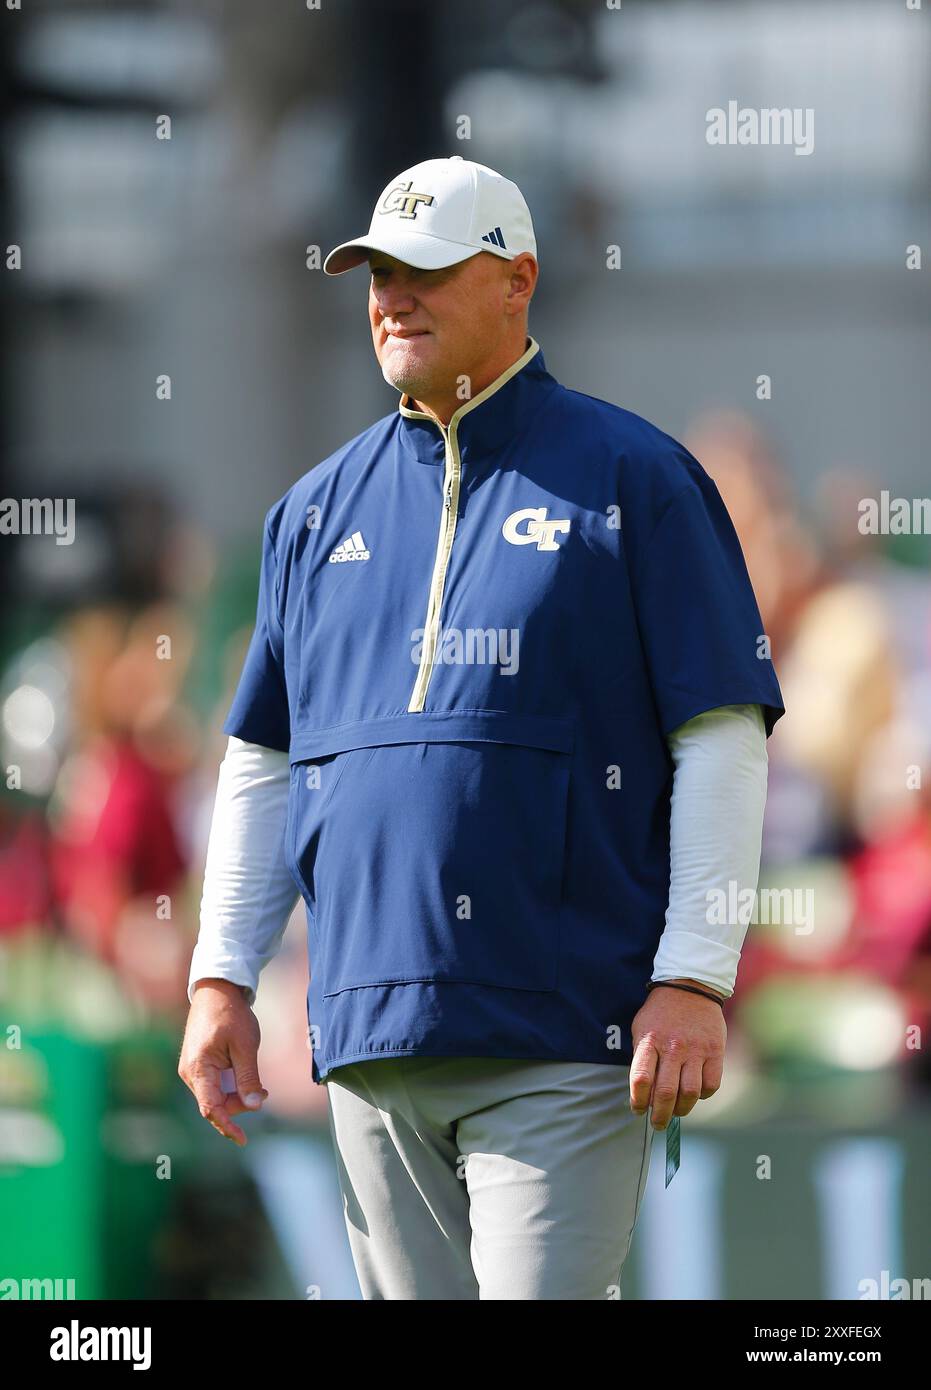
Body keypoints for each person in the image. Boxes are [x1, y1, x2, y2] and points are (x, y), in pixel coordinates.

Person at [179, 156, 785, 1300]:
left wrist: (696, 976)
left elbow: (721, 731)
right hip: (368, 1031)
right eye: (374, 274)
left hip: (563, 1027)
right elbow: (264, 760)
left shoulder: (637, 477)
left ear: (518, 281)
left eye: (424, 272)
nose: (390, 298)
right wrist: (223, 978)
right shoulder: (309, 514)